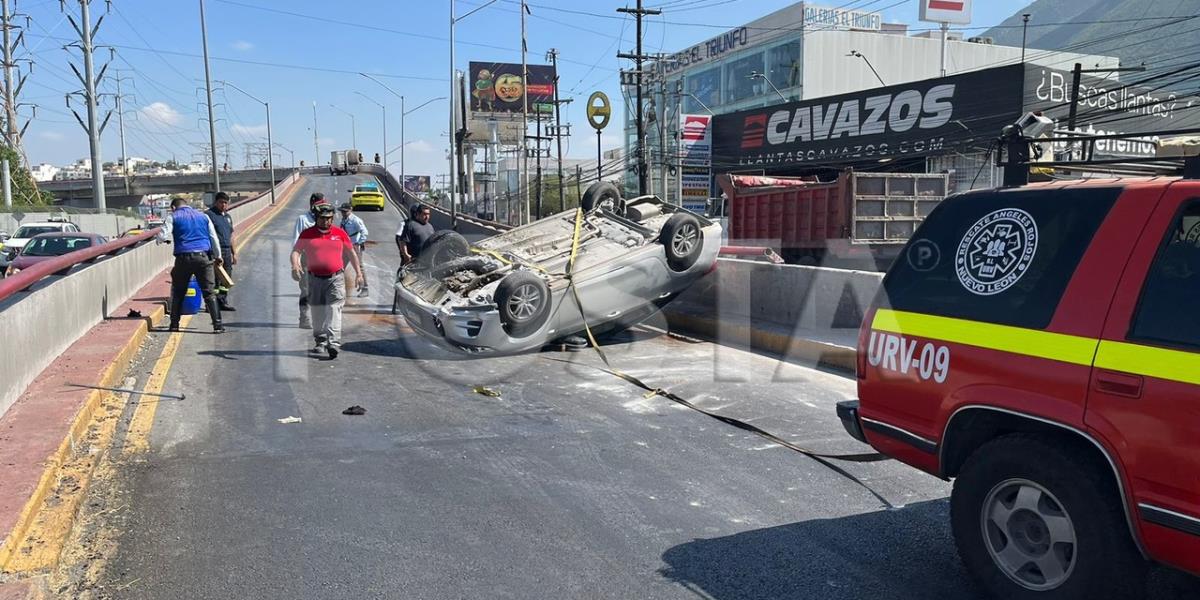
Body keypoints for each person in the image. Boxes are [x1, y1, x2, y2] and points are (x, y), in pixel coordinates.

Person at [291, 203, 363, 359]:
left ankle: (334, 343)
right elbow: (296, 251)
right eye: (323, 219)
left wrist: (359, 273)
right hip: (314, 279)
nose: (326, 222)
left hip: (335, 279)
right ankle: (321, 340)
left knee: (334, 309)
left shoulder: (340, 233)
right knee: (318, 312)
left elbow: (351, 253)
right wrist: (295, 264)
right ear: (316, 218)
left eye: (329, 219)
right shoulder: (307, 234)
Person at [167, 197, 224, 333]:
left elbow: (163, 234)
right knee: (209, 293)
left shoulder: (173, 216)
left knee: (179, 292)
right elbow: (213, 237)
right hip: (203, 257)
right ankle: (217, 325)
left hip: (183, 258)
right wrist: (218, 256)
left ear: (174, 208)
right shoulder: (203, 216)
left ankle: (174, 325)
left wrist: (163, 240)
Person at [292, 192, 326, 329]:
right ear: (312, 205)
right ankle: (304, 317)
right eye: (319, 205)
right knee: (306, 290)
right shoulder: (303, 219)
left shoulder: (325, 218)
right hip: (307, 259)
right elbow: (296, 241)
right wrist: (296, 263)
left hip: (322, 261)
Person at [206, 191, 237, 311]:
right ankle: (211, 304)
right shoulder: (209, 215)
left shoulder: (227, 217)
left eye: (225, 203)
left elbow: (231, 236)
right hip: (214, 251)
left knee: (226, 277)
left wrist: (234, 253)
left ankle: (222, 301)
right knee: (214, 279)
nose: (223, 205)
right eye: (221, 202)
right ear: (216, 202)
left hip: (226, 251)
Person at [338, 202, 370, 297]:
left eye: (345, 211)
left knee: (359, 267)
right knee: (340, 266)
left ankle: (365, 288)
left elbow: (364, 232)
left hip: (354, 247)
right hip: (345, 246)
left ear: (350, 210)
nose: (343, 213)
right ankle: (338, 287)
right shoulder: (344, 220)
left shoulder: (356, 220)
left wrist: (358, 243)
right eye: (342, 212)